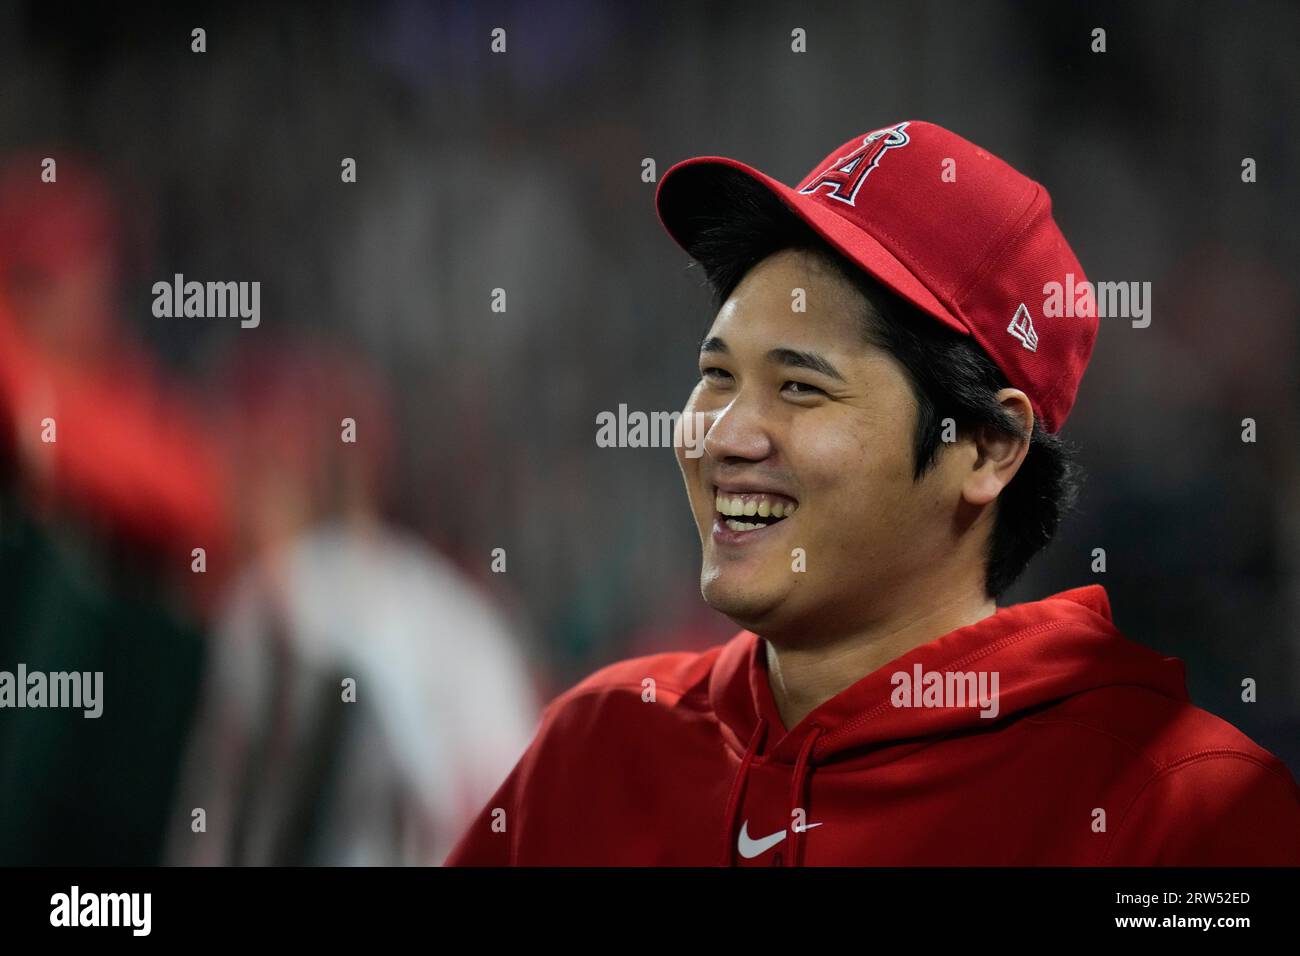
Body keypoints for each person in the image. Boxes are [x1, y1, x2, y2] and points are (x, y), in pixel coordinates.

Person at [445, 121, 1300, 865]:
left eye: (801, 388)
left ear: (990, 447)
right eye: (716, 374)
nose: (726, 436)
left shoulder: (1179, 806)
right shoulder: (596, 747)